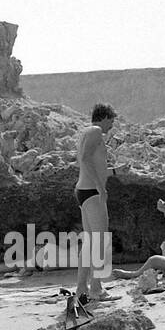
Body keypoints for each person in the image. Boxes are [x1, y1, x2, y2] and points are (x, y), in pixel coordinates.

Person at [73, 103, 117, 304]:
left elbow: (88, 163)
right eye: (112, 120)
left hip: (84, 190)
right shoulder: (95, 131)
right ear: (105, 117)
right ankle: (96, 289)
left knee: (90, 241)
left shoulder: (86, 132)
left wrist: (114, 172)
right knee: (100, 241)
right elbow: (85, 158)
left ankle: (82, 287)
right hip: (92, 192)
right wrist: (101, 187)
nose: (112, 125)